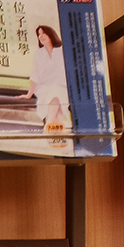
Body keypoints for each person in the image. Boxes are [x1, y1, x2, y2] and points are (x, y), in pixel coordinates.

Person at [30, 22, 72, 152]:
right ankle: (57, 140)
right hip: (45, 89)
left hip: (62, 87)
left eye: (43, 33)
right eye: (39, 34)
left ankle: (49, 132)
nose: (41, 36)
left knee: (57, 100)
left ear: (51, 34)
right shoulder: (39, 54)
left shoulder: (62, 51)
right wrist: (29, 93)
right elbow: (35, 74)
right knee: (56, 99)